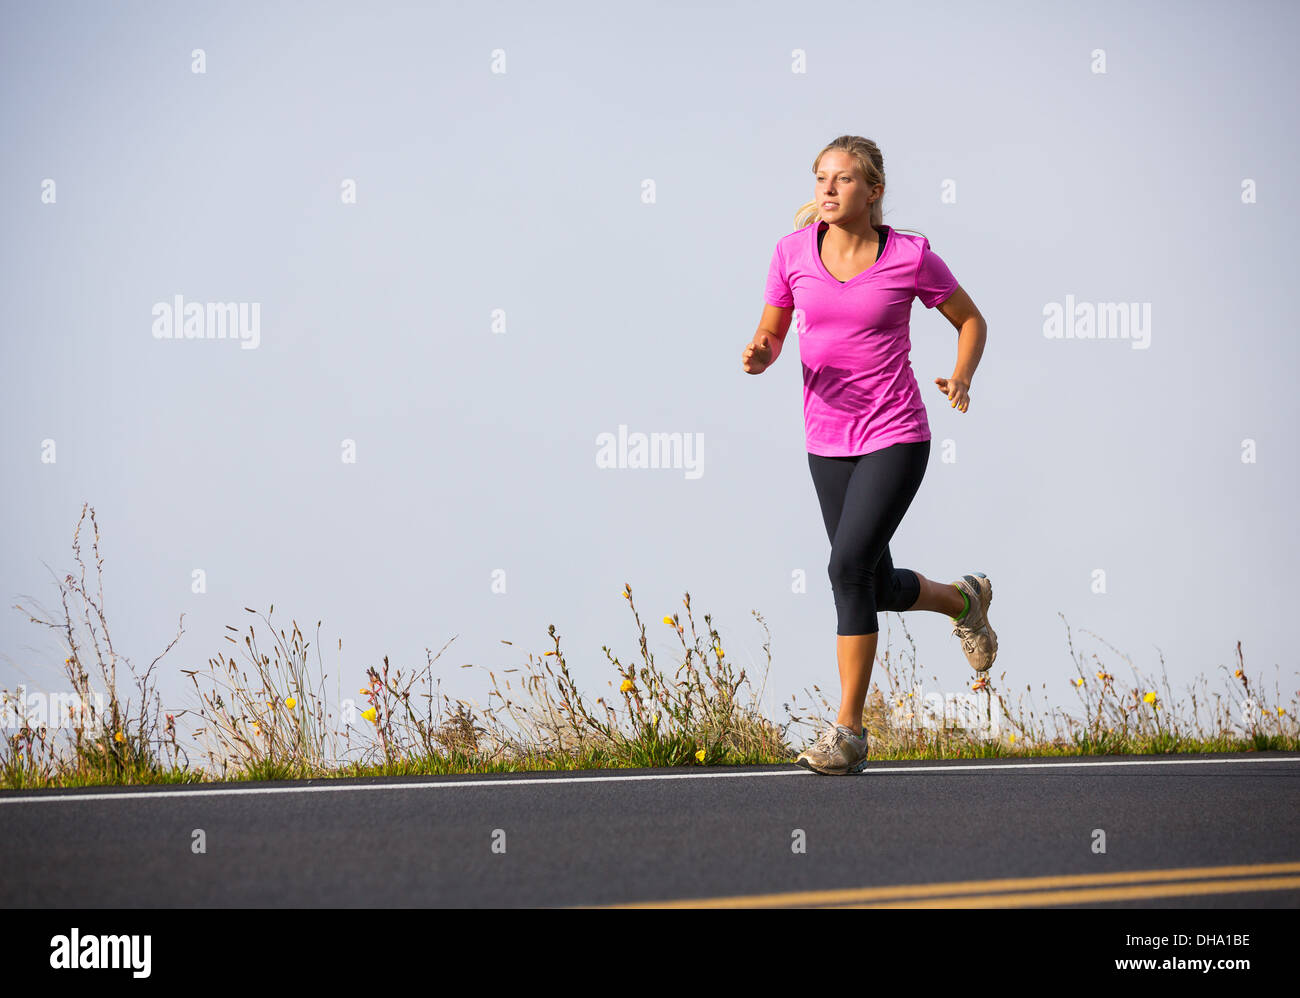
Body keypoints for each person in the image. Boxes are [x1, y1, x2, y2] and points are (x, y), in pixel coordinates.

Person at [742, 135, 996, 776]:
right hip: (826, 441)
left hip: (896, 435)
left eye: (843, 179)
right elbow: (773, 331)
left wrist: (961, 376)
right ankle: (963, 601)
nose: (827, 189)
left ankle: (849, 733)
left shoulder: (910, 257)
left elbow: (971, 320)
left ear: (873, 189)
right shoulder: (791, 253)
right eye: (821, 177)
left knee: (845, 569)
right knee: (871, 584)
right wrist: (761, 353)